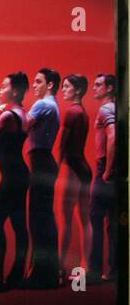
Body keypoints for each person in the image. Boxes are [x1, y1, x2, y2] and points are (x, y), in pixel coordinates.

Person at [0, 72, 31, 292]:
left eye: (4, 86)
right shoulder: (23, 113)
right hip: (20, 174)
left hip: (11, 177)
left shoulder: (7, 116)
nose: (0, 90)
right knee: (19, 226)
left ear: (15, 91)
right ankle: (15, 276)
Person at [23, 68, 62, 289]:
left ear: (50, 85)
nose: (34, 85)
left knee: (38, 220)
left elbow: (22, 126)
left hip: (40, 162)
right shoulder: (53, 106)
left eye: (38, 81)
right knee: (44, 219)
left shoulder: (43, 105)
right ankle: (46, 272)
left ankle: (40, 274)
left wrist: (6, 110)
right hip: (43, 161)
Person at [57, 74, 92, 281]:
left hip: (71, 165)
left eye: (67, 86)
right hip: (84, 167)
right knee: (84, 220)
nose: (64, 90)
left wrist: (56, 165)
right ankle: (85, 267)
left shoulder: (71, 112)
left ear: (78, 90)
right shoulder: (84, 113)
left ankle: (60, 268)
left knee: (66, 219)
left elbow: (63, 142)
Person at [90, 73, 117, 284]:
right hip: (112, 171)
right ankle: (113, 270)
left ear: (109, 88)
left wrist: (107, 170)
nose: (95, 88)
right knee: (112, 223)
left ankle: (95, 270)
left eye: (99, 85)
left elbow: (112, 136)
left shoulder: (106, 109)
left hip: (105, 170)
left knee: (96, 219)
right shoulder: (116, 108)